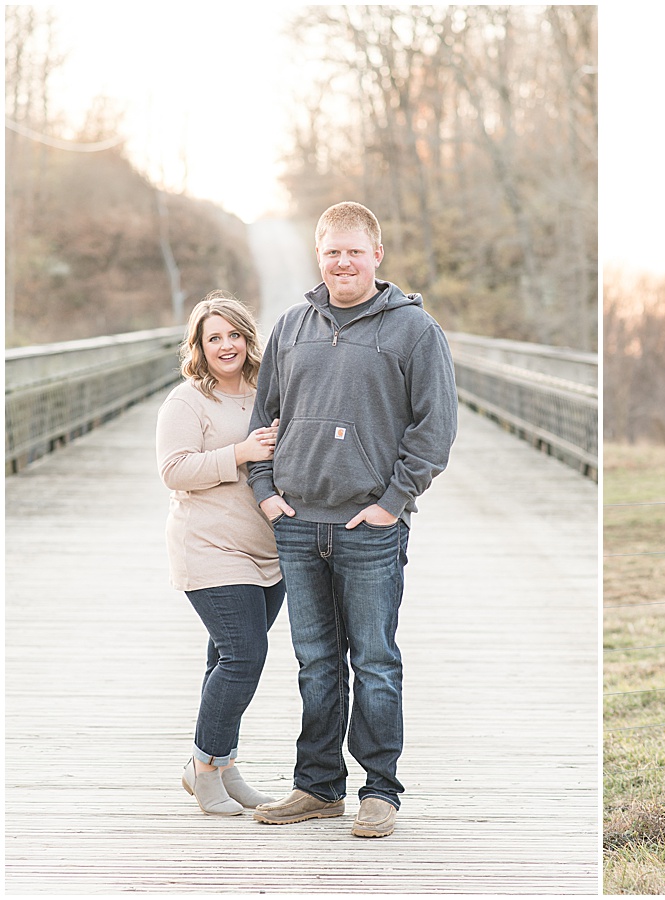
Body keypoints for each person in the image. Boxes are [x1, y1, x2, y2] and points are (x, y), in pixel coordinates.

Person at [247, 201, 458, 839]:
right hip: (297, 522)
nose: (343, 262)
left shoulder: (414, 331)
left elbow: (435, 429)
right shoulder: (291, 326)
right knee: (315, 663)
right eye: (332, 251)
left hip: (371, 526)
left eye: (354, 251)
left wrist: (393, 502)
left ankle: (380, 790)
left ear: (377, 255)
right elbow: (264, 418)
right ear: (320, 256)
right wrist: (266, 491)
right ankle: (317, 787)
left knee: (374, 662)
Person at [155, 292, 284, 816]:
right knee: (244, 656)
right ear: (199, 346)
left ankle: (223, 765)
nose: (226, 345)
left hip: (267, 550)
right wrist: (240, 453)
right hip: (209, 546)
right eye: (214, 338)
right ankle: (205, 768)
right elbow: (173, 470)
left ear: (248, 340)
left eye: (234, 335)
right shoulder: (186, 401)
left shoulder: (267, 393)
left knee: (225, 660)